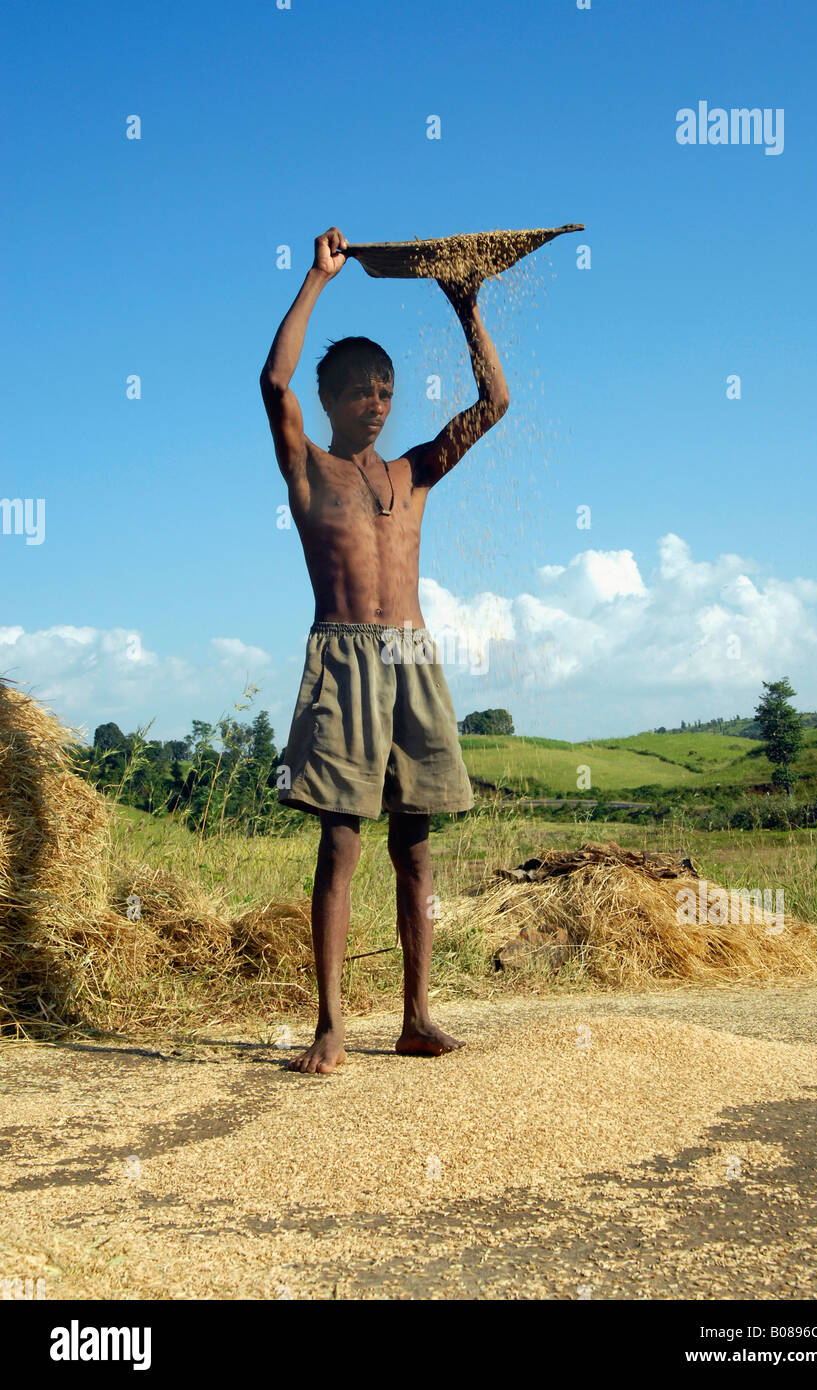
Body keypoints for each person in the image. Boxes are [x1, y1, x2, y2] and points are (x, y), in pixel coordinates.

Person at [259, 226, 509, 1073]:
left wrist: (465, 302)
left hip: (412, 658)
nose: (375, 401)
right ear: (329, 399)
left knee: (418, 841)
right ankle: (329, 1022)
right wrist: (318, 280)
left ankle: (416, 1015)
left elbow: (495, 402)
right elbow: (272, 379)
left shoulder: (413, 472)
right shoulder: (310, 471)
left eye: (386, 389)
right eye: (360, 390)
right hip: (343, 657)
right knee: (340, 839)